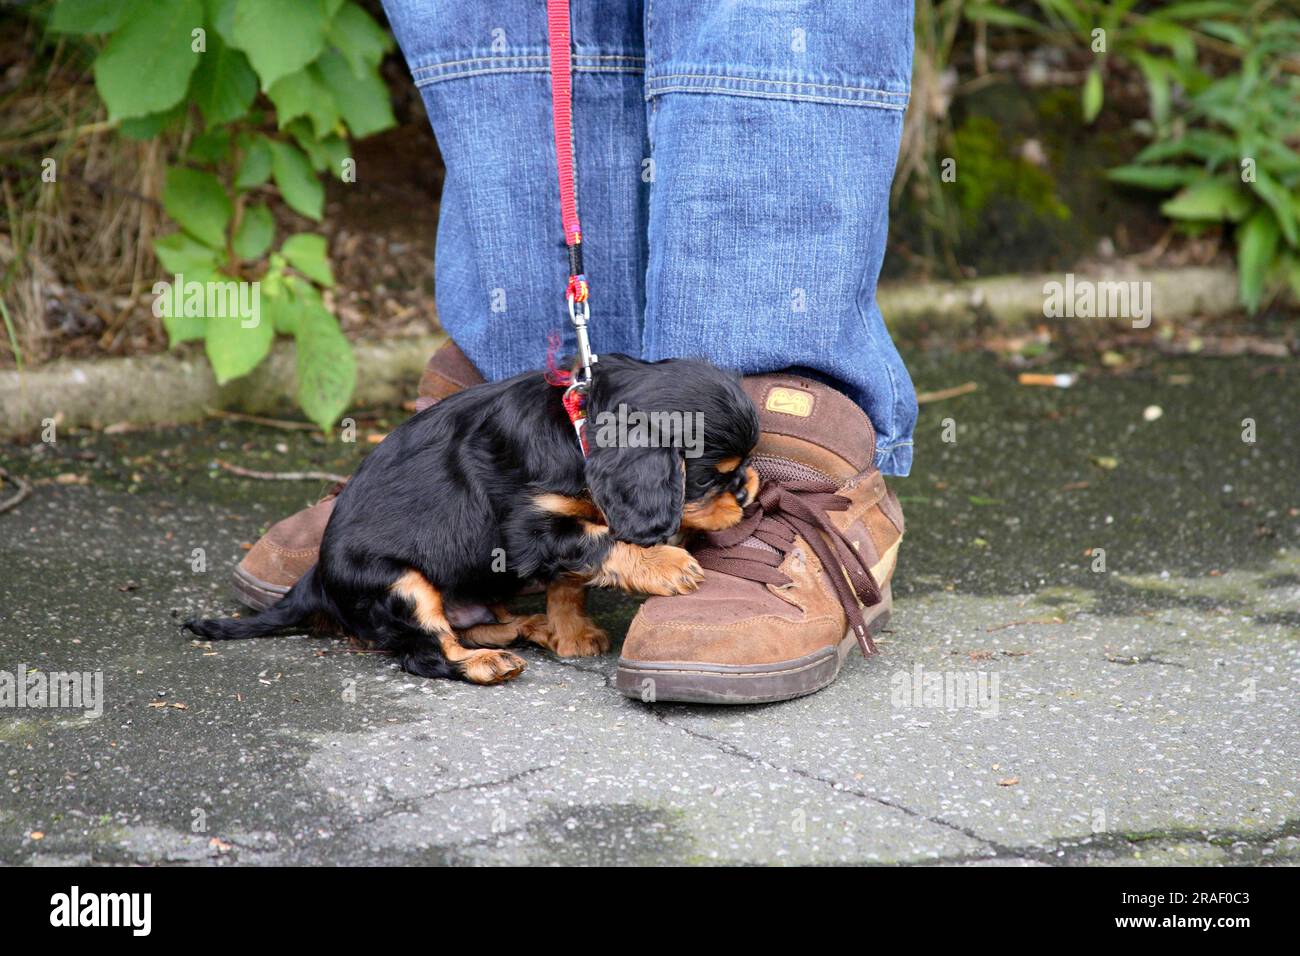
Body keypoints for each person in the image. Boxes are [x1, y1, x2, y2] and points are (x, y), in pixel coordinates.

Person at [234, 0, 915, 704]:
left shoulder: (655, 447)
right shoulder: (630, 455)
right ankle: (483, 402)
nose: (734, 497)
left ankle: (795, 428)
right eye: (722, 479)